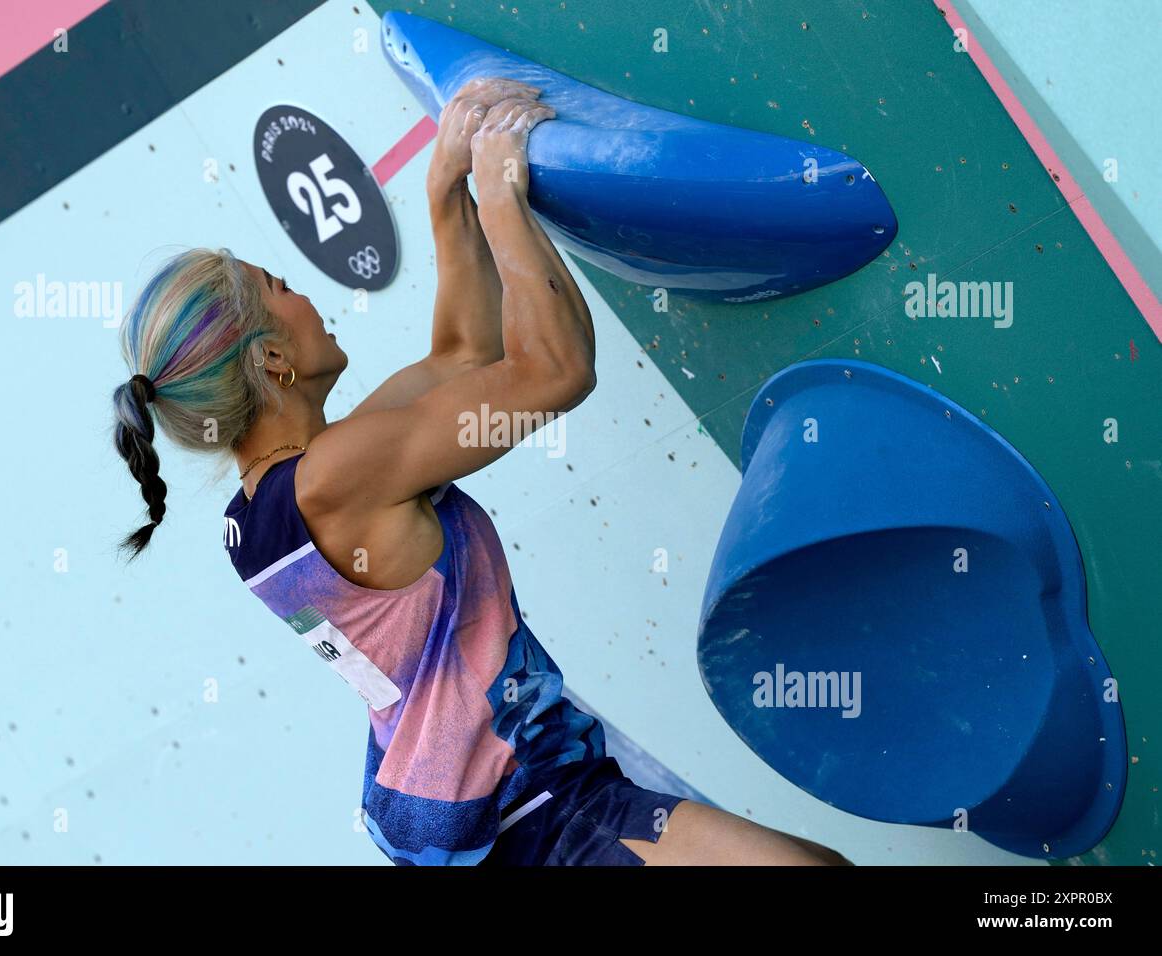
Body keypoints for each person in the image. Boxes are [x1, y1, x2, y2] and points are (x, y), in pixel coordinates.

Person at [111, 77, 849, 866]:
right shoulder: (337, 474)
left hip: (485, 803)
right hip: (525, 815)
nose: (305, 297)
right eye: (281, 289)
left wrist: (446, 188)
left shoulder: (268, 506)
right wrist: (503, 198)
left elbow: (466, 356)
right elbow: (555, 371)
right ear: (272, 359)